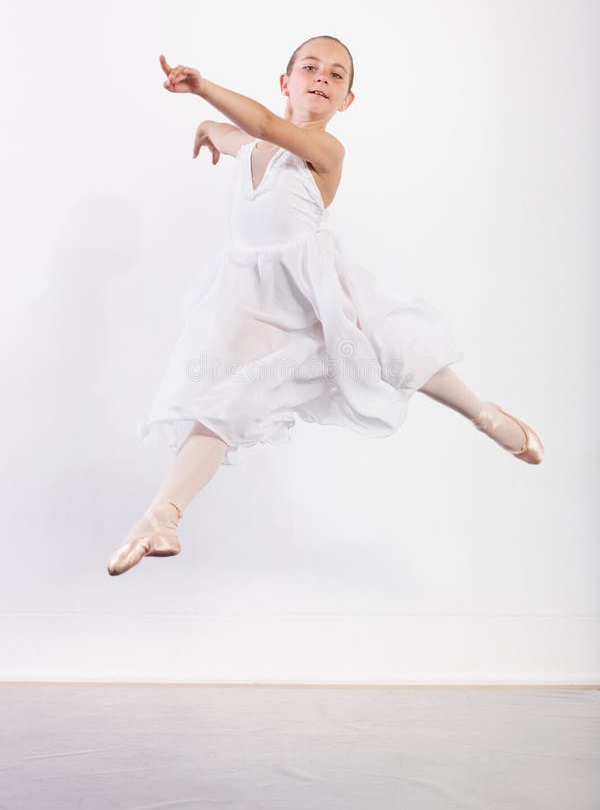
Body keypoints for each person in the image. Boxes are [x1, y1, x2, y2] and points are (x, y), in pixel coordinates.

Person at [107, 35, 544, 577]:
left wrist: (201, 90)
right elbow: (241, 136)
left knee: (396, 342)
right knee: (227, 397)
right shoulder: (249, 147)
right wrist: (208, 130)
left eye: (336, 75)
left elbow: (267, 127)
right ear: (284, 82)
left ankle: (485, 414)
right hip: (252, 305)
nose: (321, 78)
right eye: (309, 67)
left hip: (316, 293)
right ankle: (161, 517)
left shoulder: (325, 152)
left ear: (347, 101)